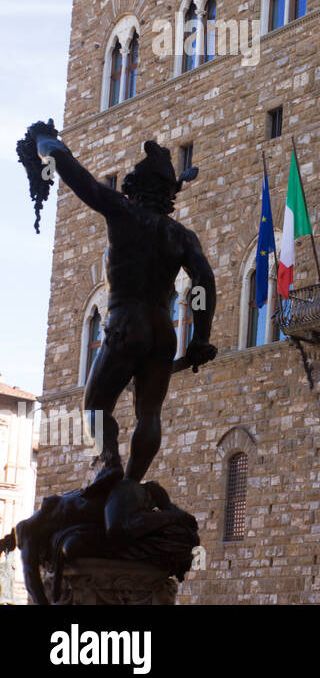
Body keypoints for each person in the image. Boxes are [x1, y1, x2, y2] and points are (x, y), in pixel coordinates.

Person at [34, 134, 217, 488]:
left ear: (136, 188)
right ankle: (132, 485)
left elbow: (77, 176)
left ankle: (111, 465)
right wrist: (199, 336)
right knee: (149, 412)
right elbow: (203, 281)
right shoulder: (181, 235)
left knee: (95, 406)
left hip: (125, 324)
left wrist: (45, 145)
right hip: (163, 331)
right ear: (168, 195)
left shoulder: (122, 211)